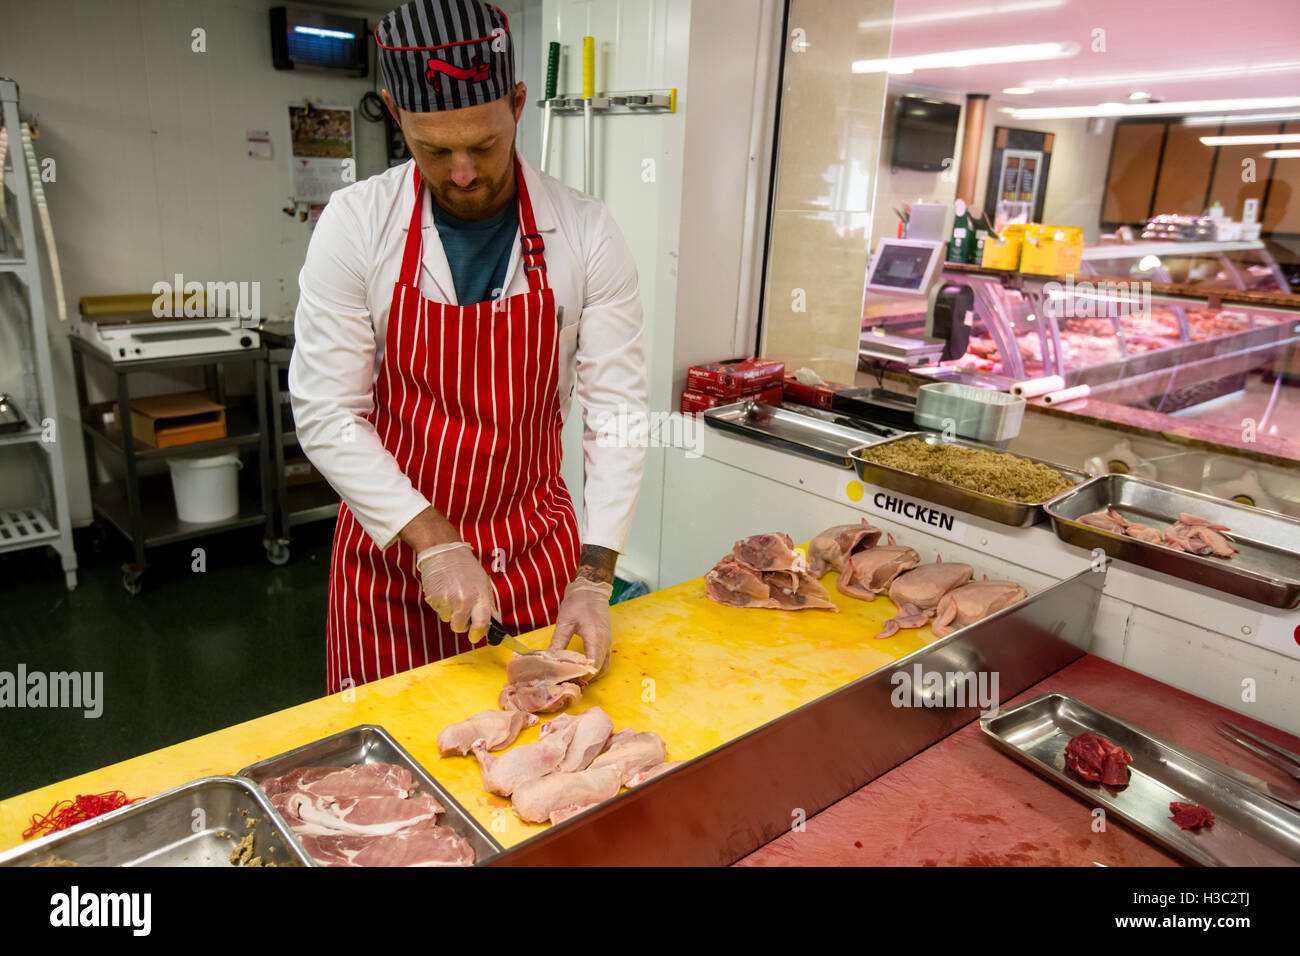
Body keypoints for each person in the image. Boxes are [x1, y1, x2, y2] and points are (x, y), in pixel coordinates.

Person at [288, 0, 648, 694]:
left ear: (518, 104)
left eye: (482, 145)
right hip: (392, 565)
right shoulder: (356, 225)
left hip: (534, 558)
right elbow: (327, 413)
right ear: (395, 114)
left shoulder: (586, 232)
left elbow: (618, 412)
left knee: (536, 770)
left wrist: (596, 578)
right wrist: (433, 539)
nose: (460, 173)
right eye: (433, 149)